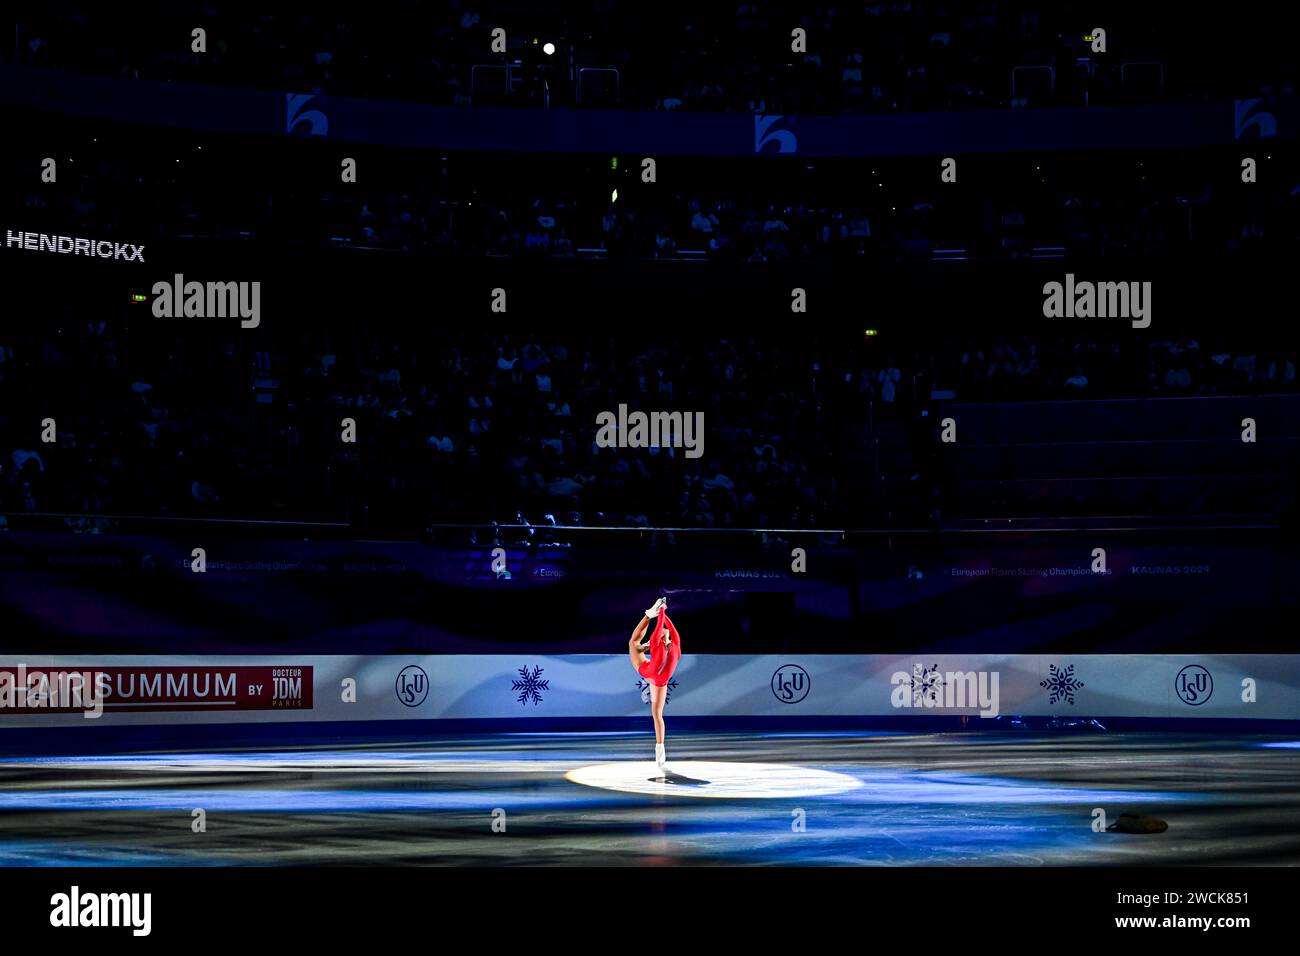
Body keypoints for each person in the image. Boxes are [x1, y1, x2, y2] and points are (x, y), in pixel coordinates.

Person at [627, 597, 681, 770]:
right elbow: (672, 631)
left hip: (649, 671)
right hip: (660, 680)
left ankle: (648, 615)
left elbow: (658, 631)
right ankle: (660, 750)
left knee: (633, 643)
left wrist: (660, 613)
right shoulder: (676, 648)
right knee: (657, 715)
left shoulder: (657, 648)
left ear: (659, 642)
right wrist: (664, 615)